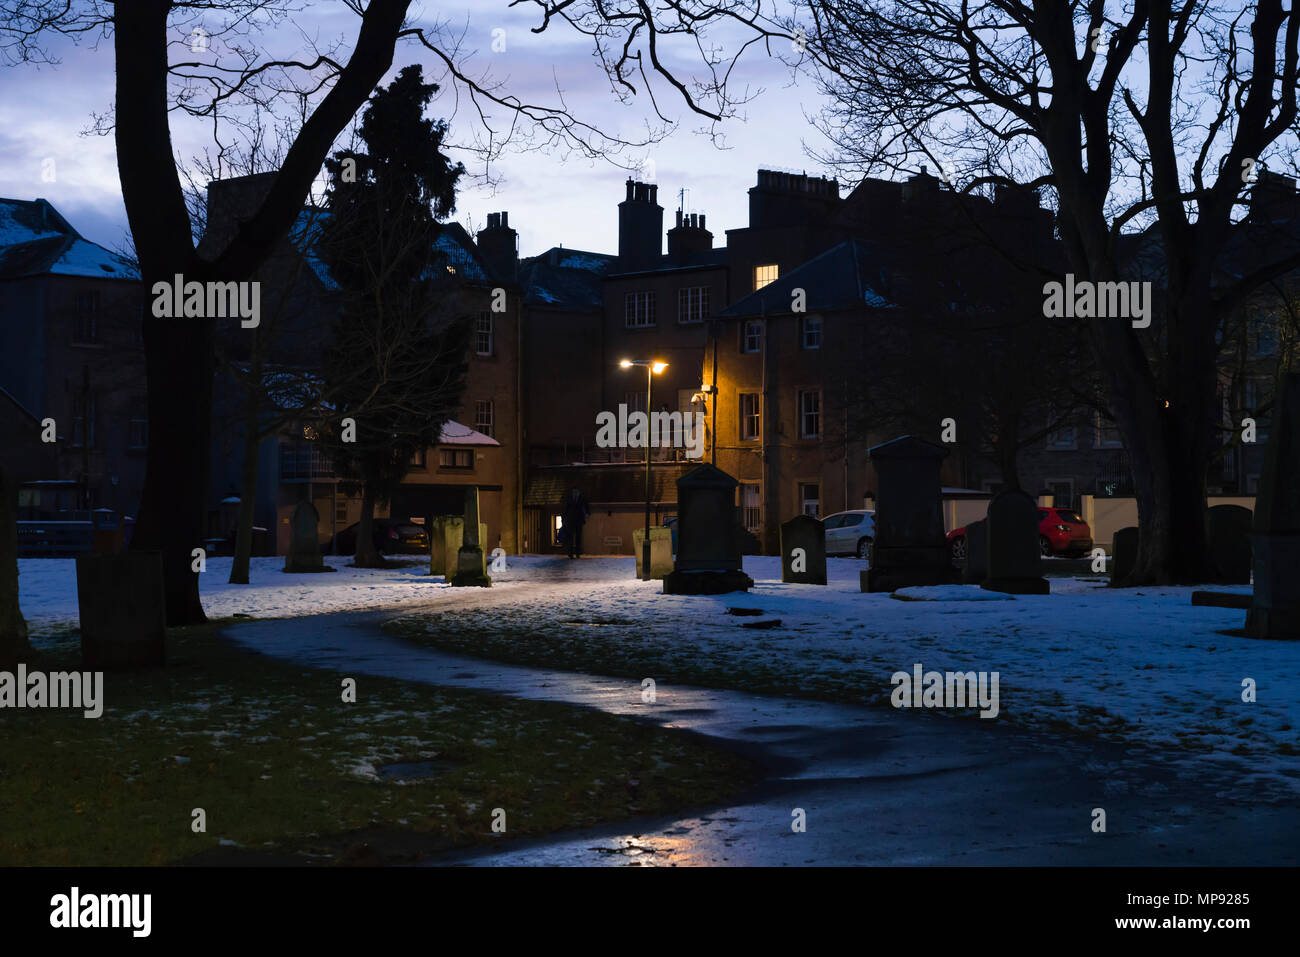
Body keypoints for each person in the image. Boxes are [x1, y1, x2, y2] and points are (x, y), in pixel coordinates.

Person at [562, 488, 589, 558]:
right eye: (574, 491)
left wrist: (587, 513)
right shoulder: (569, 498)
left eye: (576, 491)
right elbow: (566, 508)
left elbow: (586, 506)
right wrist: (564, 518)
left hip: (579, 520)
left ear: (579, 492)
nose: (575, 492)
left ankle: (577, 553)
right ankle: (570, 553)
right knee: (570, 537)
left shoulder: (582, 498)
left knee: (578, 537)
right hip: (570, 520)